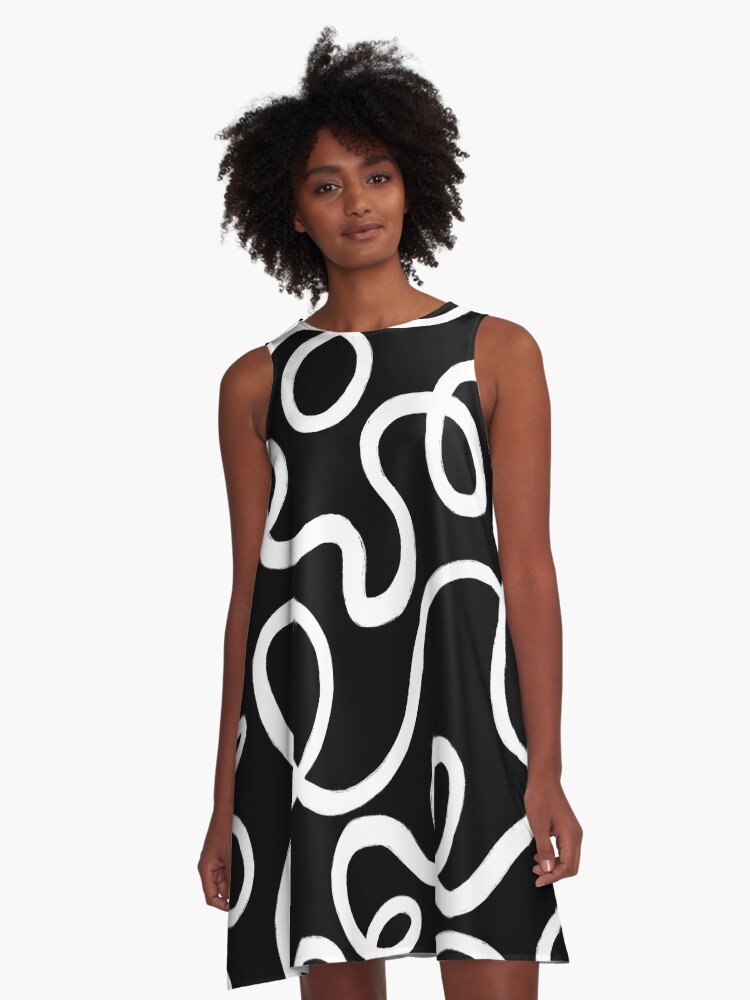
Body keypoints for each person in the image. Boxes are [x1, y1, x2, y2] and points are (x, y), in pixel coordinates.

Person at [198, 25, 583, 1000]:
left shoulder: (497, 352)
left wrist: (545, 766)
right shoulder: (257, 383)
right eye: (327, 185)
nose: (358, 202)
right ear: (291, 211)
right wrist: (226, 797)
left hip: (469, 723)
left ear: (413, 183)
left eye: (376, 175)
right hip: (315, 730)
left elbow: (527, 568)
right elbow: (250, 597)